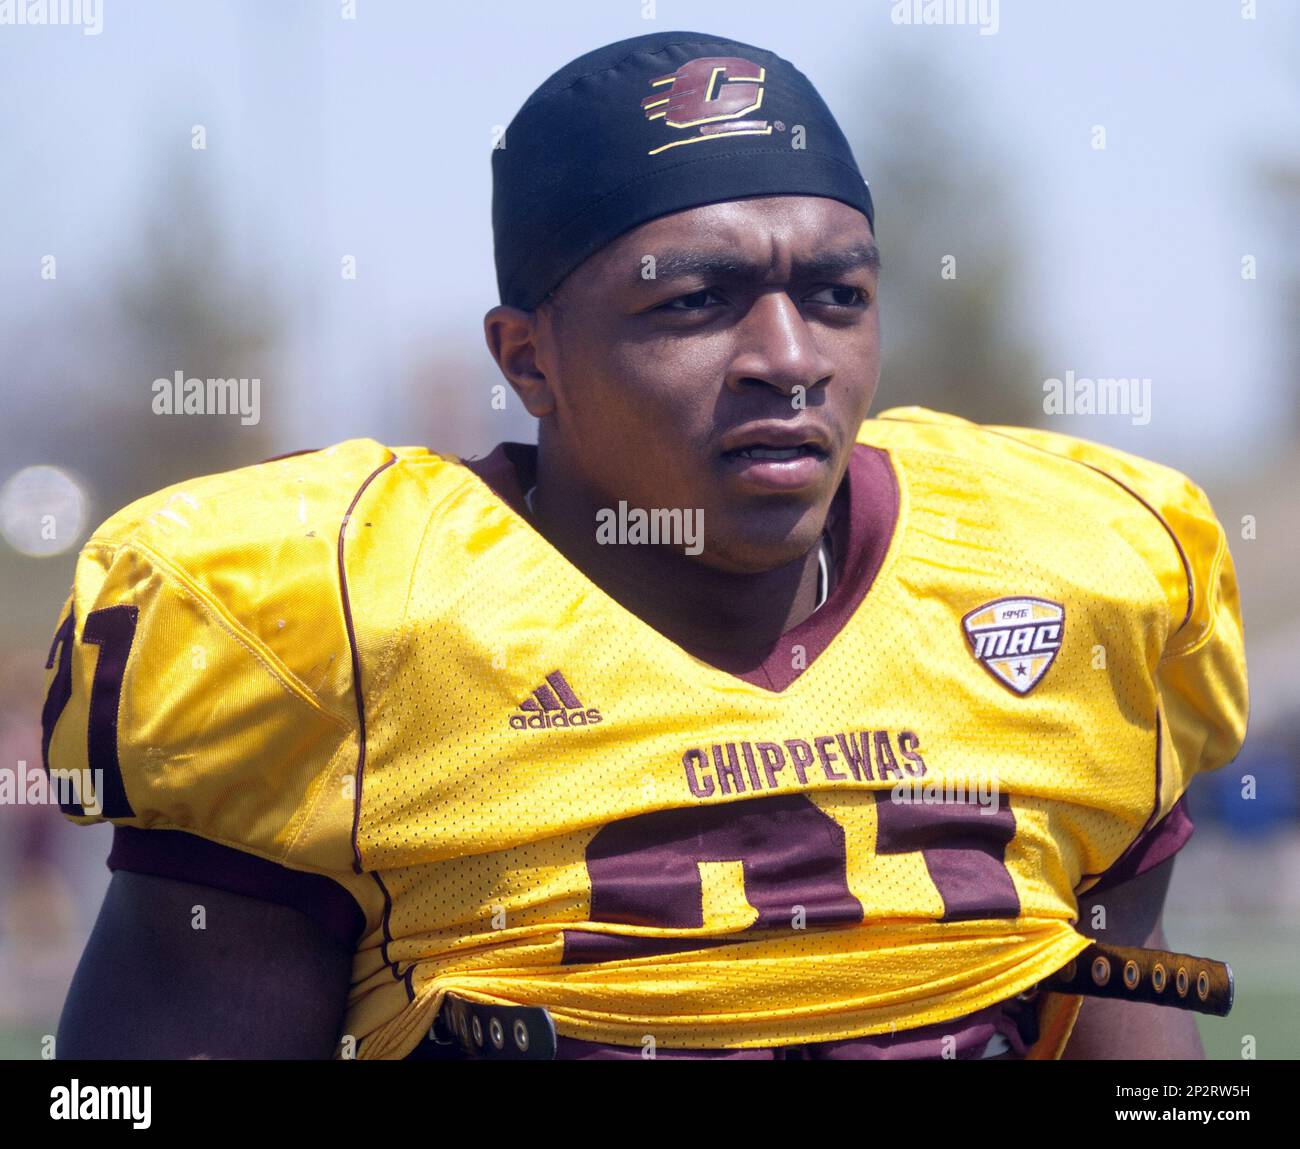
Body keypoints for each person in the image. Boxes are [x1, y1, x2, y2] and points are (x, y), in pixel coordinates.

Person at [45, 30, 1246, 1060]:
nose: (790, 357)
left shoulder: (1071, 573)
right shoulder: (343, 618)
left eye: (837, 295)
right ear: (529, 360)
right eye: (694, 302)